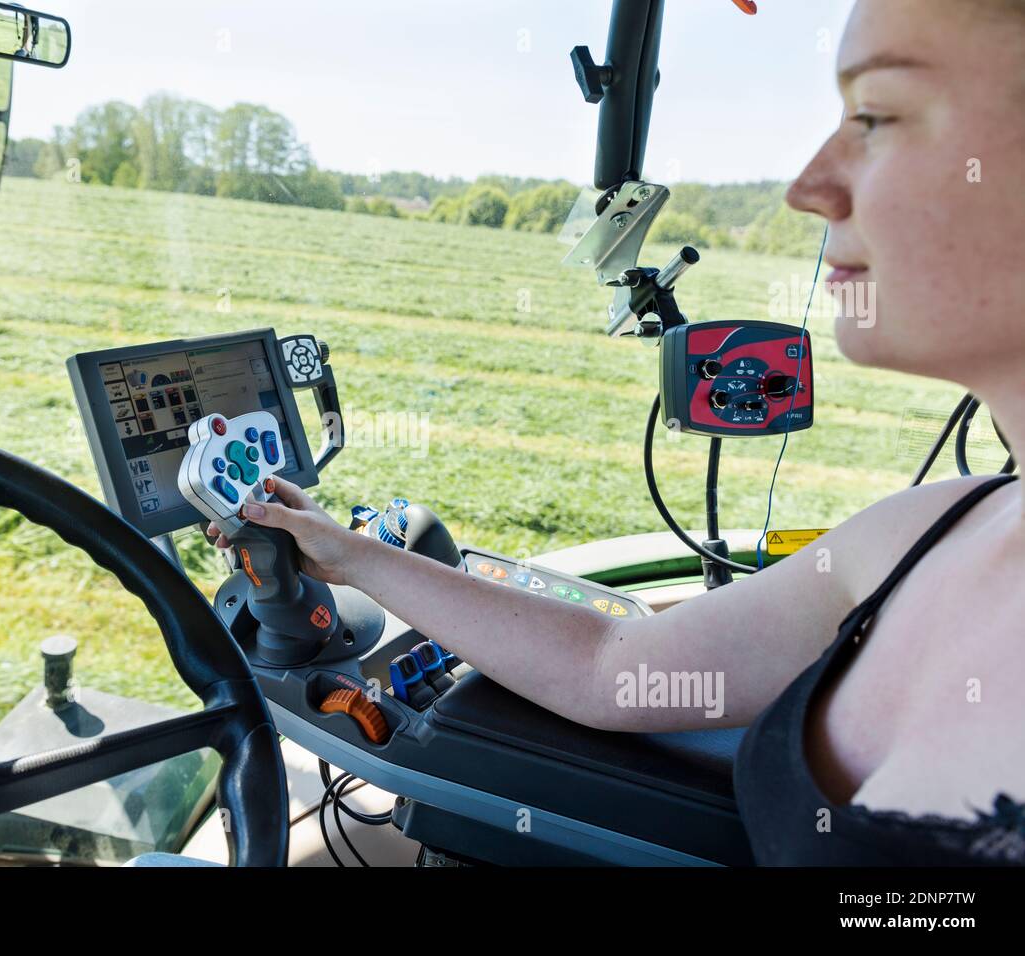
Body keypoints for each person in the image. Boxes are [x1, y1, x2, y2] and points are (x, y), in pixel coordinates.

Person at [207, 0, 1025, 864]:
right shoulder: (936, 527)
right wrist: (354, 556)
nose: (808, 186)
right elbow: (613, 667)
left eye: (877, 116)